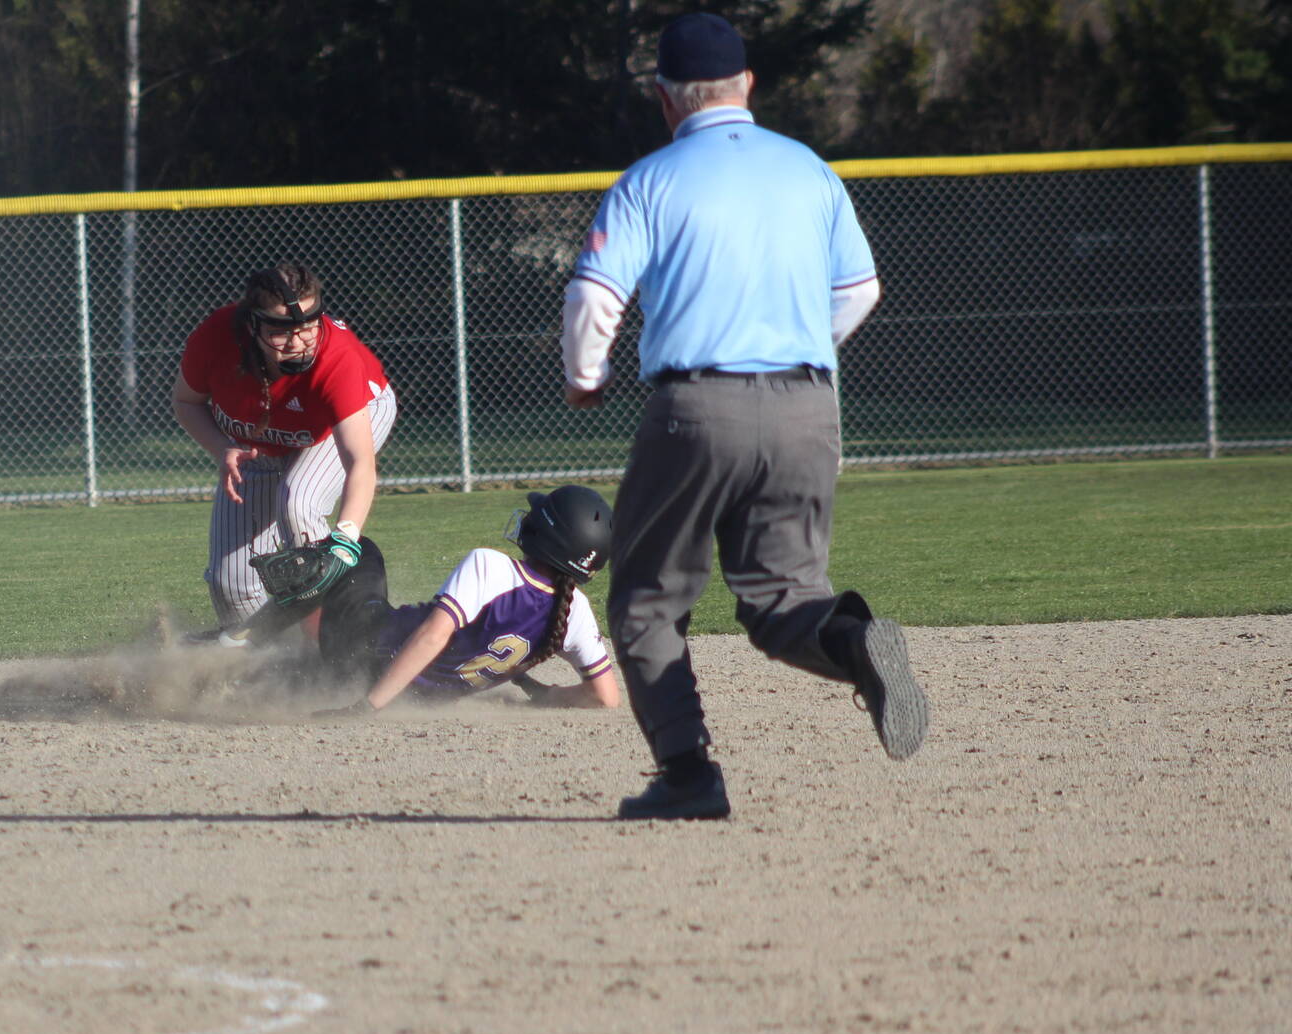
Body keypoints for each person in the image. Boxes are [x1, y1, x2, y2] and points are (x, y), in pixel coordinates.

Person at [560, 11, 928, 821]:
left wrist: (586, 376)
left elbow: (593, 294)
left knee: (648, 601)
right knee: (782, 599)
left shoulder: (651, 180)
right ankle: (854, 642)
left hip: (698, 406)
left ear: (665, 97)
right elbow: (860, 289)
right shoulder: (809, 170)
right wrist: (795, 347)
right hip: (808, 406)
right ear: (748, 86)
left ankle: (689, 776)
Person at [172, 263, 397, 646]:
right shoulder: (216, 338)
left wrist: (345, 538)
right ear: (251, 324)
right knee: (232, 585)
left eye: (308, 325)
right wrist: (221, 447)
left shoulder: (336, 357)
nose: (298, 342)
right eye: (281, 330)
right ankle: (276, 660)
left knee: (299, 501)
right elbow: (186, 401)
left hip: (345, 422)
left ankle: (339, 646)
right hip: (260, 442)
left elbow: (359, 463)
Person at [311, 485, 622, 714]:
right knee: (298, 668)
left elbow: (432, 638)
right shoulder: (576, 611)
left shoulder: (491, 565)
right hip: (418, 699)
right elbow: (606, 697)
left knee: (357, 548)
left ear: (547, 535)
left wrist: (369, 705)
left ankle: (283, 619)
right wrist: (547, 695)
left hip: (361, 652)